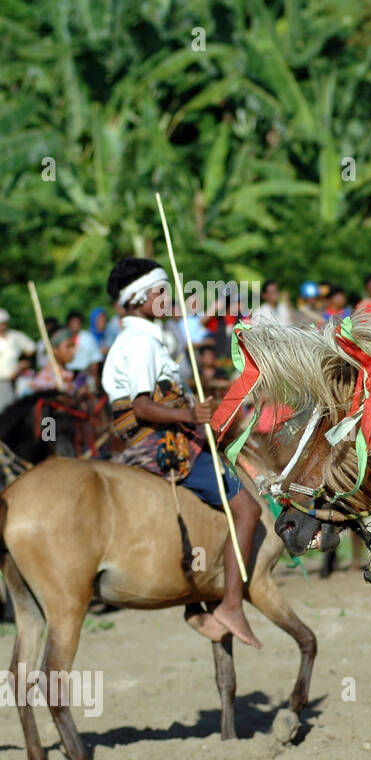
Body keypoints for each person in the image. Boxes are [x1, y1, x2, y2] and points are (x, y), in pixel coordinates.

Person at [100, 257, 263, 649]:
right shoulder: (139, 342)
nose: (166, 297)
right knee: (248, 510)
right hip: (160, 446)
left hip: (165, 436)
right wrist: (190, 413)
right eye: (159, 292)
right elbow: (140, 406)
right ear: (138, 299)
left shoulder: (146, 337)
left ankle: (197, 600)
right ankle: (231, 605)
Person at [0, 309, 37, 412]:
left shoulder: (16, 336)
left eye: (4, 324)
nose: (2, 327)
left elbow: (31, 348)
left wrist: (22, 364)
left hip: (17, 380)